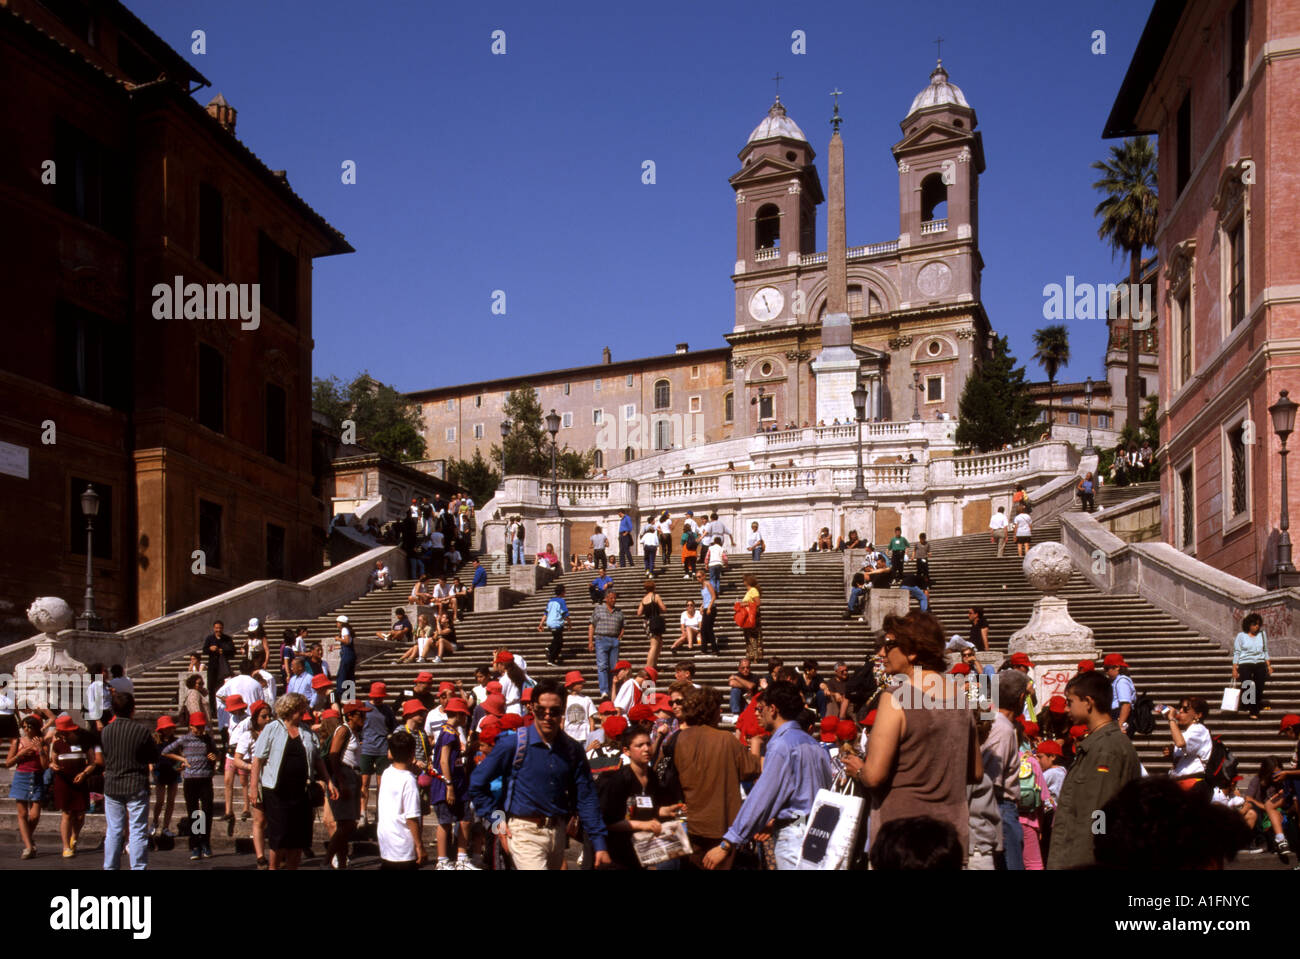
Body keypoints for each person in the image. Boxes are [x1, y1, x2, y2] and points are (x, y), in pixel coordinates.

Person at [842, 612, 981, 864]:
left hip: (901, 844)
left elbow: (874, 776)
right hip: (950, 841)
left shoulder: (896, 697)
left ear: (913, 652)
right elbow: (975, 772)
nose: (882, 652)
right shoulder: (960, 697)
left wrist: (858, 769)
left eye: (889, 644)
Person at [468, 679, 611, 869]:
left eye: (555, 711)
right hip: (523, 830)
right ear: (531, 708)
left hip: (557, 832)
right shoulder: (513, 744)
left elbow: (586, 796)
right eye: (541, 710)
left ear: (563, 710)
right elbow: (477, 784)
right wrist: (498, 824)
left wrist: (599, 843)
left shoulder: (572, 749)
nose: (547, 716)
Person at [702, 681, 832, 870]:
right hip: (815, 832)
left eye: (760, 708)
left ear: (773, 709)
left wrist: (728, 843)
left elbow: (762, 796)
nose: (757, 713)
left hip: (795, 838)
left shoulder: (782, 745)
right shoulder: (813, 744)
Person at [1046, 670, 1141, 869]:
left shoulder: (1106, 749)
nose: (1066, 709)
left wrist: (1092, 858)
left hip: (1086, 858)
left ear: (1088, 702)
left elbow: (1100, 813)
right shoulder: (1097, 744)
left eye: (1070, 702)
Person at [672, 685, 762, 867]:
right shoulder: (726, 739)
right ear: (711, 711)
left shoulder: (680, 738)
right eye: (718, 707)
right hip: (721, 827)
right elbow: (751, 769)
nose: (720, 711)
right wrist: (756, 744)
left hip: (693, 825)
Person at [251, 693, 337, 870]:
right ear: (290, 710)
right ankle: (273, 867)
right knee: (280, 836)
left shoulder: (307, 731)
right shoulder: (272, 728)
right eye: (301, 710)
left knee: (299, 837)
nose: (304, 712)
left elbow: (319, 760)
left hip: (301, 792)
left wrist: (328, 781)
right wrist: (253, 788)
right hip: (276, 791)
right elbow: (257, 760)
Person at [591, 724, 683, 870]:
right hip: (617, 855)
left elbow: (645, 809)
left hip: (640, 853)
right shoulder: (618, 780)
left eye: (648, 743)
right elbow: (607, 821)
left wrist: (667, 810)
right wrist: (643, 825)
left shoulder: (652, 777)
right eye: (639, 745)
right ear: (626, 751)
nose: (646, 749)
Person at [98, 692, 158, 871]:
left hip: (113, 784)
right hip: (135, 783)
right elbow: (153, 756)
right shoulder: (141, 731)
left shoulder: (106, 731)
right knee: (138, 830)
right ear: (133, 709)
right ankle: (138, 867)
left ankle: (110, 867)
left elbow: (106, 755)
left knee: (114, 830)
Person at [982, 671, 1029, 869]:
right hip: (1000, 806)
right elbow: (992, 777)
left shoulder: (995, 722)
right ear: (1020, 698)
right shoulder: (1002, 728)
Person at [163, 712, 219, 862]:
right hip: (191, 780)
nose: (199, 730)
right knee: (194, 813)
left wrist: (214, 757)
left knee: (206, 812)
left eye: (201, 727)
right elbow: (166, 751)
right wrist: (182, 759)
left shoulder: (207, 739)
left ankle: (205, 842)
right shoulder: (185, 739)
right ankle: (195, 844)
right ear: (191, 726)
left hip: (205, 779)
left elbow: (216, 753)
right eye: (197, 727)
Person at [431, 697, 477, 870]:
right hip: (447, 784)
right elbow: (443, 761)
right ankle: (442, 860)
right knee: (445, 822)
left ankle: (462, 857)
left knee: (465, 819)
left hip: (459, 783)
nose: (466, 719)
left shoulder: (452, 732)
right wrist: (448, 786)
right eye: (464, 715)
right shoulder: (448, 734)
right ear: (458, 715)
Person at [325, 700, 368, 870]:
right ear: (350, 716)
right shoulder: (344, 730)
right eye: (361, 714)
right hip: (345, 775)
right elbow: (333, 756)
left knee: (347, 825)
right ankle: (327, 860)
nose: (364, 717)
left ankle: (341, 863)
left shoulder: (355, 732)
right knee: (347, 824)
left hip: (353, 775)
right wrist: (341, 781)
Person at [378, 729, 425, 869]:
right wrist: (419, 845)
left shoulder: (387, 772)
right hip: (403, 843)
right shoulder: (409, 780)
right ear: (412, 754)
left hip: (386, 839)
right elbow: (411, 817)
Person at [7, 715, 47, 859]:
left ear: (36, 727)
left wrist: (40, 750)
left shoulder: (42, 741)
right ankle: (29, 847)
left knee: (35, 815)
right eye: (24, 727)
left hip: (36, 778)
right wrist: (22, 753)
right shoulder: (18, 742)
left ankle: (27, 838)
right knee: (22, 814)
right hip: (21, 777)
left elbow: (45, 766)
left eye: (29, 727)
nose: (26, 730)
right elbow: (8, 763)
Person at [1160, 696, 1213, 801]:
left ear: (1198, 715)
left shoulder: (1199, 729)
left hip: (1193, 784)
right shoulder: (1187, 732)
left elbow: (1180, 743)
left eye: (1185, 709)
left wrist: (1171, 719)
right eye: (1180, 708)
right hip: (1180, 782)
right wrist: (1172, 752)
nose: (1180, 711)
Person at [358, 682, 397, 825]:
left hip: (382, 749)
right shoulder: (364, 707)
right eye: (377, 697)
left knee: (382, 785)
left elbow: (393, 727)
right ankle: (363, 813)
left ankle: (380, 814)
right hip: (367, 748)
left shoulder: (387, 709)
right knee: (364, 783)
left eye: (381, 697)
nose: (379, 700)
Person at [1233, 612, 1272, 719]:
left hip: (1259, 663)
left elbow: (1265, 651)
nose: (1257, 627)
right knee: (1249, 685)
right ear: (1248, 625)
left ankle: (1247, 703)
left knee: (1259, 686)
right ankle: (1254, 711)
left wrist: (1268, 665)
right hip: (1245, 663)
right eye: (1254, 624)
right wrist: (1234, 668)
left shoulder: (1262, 635)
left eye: (1259, 624)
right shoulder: (1241, 636)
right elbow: (1237, 652)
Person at [589, 589, 627, 698]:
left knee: (613, 667)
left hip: (614, 640)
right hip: (601, 639)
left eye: (615, 598)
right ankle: (604, 691)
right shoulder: (599, 609)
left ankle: (612, 689)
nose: (613, 600)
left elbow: (623, 626)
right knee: (602, 666)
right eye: (611, 598)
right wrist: (590, 641)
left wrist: (620, 637)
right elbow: (591, 625)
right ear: (606, 599)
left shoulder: (619, 612)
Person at [204, 620, 235, 719]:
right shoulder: (210, 638)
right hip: (213, 667)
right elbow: (204, 650)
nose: (218, 630)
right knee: (212, 689)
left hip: (223, 668)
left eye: (220, 628)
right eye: (216, 628)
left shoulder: (227, 639)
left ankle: (226, 709)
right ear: (214, 628)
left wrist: (223, 650)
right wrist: (210, 649)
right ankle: (214, 711)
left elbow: (233, 651)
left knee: (224, 689)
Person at [636, 580, 669, 671]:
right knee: (654, 645)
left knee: (659, 643)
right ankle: (649, 667)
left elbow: (639, 613)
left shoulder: (644, 599)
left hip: (646, 622)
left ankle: (654, 665)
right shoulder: (656, 596)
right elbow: (663, 608)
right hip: (654, 622)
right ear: (654, 587)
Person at [1103, 652, 1136, 734]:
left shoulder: (1122, 682)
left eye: (1107, 669)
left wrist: (1120, 725)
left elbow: (1126, 704)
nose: (1106, 672)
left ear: (1117, 667)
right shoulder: (1116, 681)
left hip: (1120, 716)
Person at [538, 584, 571, 666]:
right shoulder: (561, 601)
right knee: (559, 642)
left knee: (557, 640)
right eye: (564, 591)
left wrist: (541, 624)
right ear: (562, 592)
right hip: (557, 623)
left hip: (549, 623)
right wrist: (569, 623)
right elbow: (565, 613)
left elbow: (546, 613)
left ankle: (550, 650)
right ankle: (551, 657)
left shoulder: (551, 601)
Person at [563, 671, 597, 746]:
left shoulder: (587, 699)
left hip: (584, 736)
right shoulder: (565, 700)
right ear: (571, 685)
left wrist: (592, 736)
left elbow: (591, 720)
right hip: (569, 736)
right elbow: (562, 719)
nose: (581, 685)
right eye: (578, 683)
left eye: (581, 682)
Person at [739, 573, 763, 662]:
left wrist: (745, 604)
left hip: (752, 617)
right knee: (749, 637)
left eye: (744, 580)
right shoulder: (749, 592)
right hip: (747, 618)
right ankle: (751, 655)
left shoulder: (753, 590)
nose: (743, 582)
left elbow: (758, 603)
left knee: (753, 637)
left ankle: (756, 656)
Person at [85, 663, 108, 732]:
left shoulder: (106, 685)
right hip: (99, 717)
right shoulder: (94, 686)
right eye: (104, 671)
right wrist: (98, 721)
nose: (106, 673)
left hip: (107, 715)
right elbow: (92, 705)